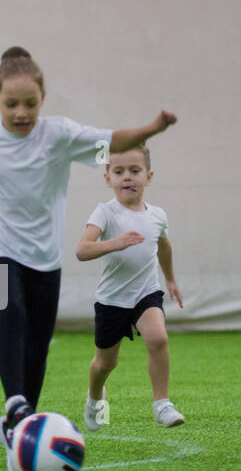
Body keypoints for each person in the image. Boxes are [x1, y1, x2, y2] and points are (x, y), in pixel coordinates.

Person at [0, 47, 176, 449]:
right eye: (11, 105)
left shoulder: (59, 135)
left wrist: (151, 129)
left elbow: (112, 141)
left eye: (29, 104)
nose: (21, 113)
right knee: (11, 314)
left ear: (43, 100)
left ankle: (21, 424)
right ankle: (15, 403)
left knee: (39, 341)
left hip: (45, 259)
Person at [76, 144, 185, 430]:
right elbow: (82, 250)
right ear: (107, 178)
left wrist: (170, 279)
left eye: (135, 171)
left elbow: (163, 245)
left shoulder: (157, 215)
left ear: (148, 177)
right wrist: (115, 243)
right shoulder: (105, 213)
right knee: (105, 364)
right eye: (119, 171)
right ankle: (95, 397)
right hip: (112, 300)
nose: (127, 177)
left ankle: (162, 404)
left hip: (146, 293)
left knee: (158, 338)